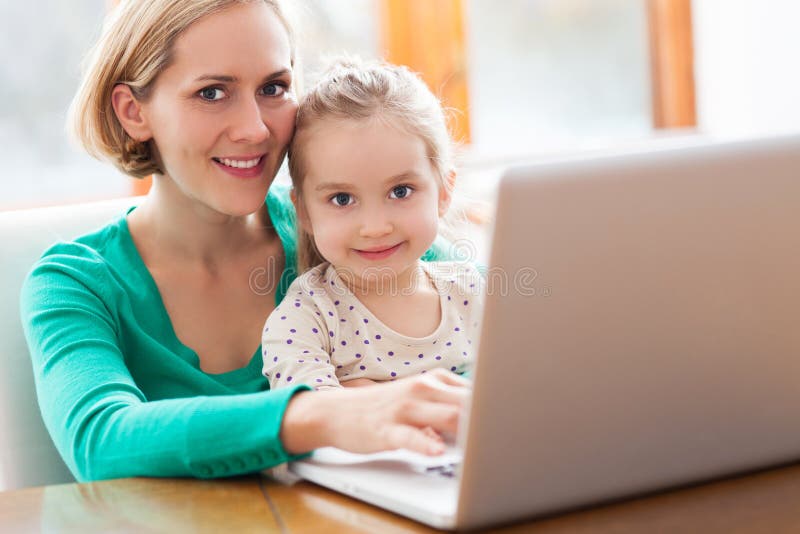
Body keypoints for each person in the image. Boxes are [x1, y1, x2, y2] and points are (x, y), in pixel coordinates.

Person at [19, 0, 469, 482]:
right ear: (134, 112)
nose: (255, 128)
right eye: (212, 92)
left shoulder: (346, 229)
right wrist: (329, 416)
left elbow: (484, 343)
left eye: (274, 88)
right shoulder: (74, 283)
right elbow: (99, 439)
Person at [262, 59, 483, 391]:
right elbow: (311, 416)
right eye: (342, 199)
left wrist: (365, 390)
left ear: (443, 192)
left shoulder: (472, 293)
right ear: (304, 212)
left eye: (400, 191)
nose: (376, 227)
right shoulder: (307, 319)